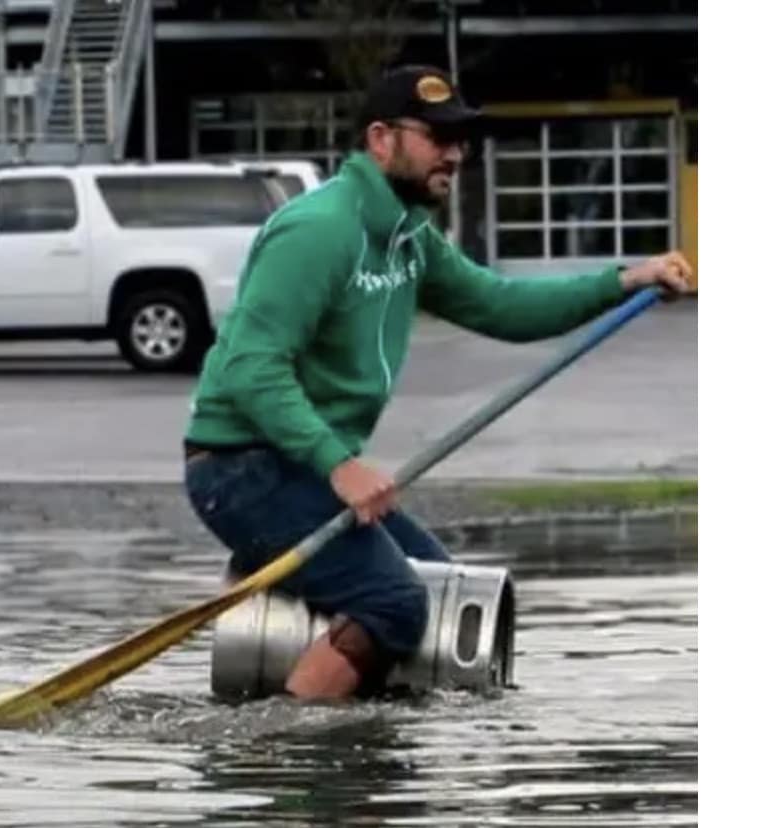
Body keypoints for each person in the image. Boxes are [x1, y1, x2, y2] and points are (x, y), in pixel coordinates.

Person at [182, 65, 694, 702]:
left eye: (462, 139)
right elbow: (251, 369)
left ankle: (357, 738)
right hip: (240, 467)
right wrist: (339, 466)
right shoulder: (319, 230)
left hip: (300, 468)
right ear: (380, 139)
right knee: (394, 602)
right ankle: (285, 749)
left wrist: (624, 280)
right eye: (438, 136)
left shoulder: (411, 236)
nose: (455, 153)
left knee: (438, 586)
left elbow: (503, 306)